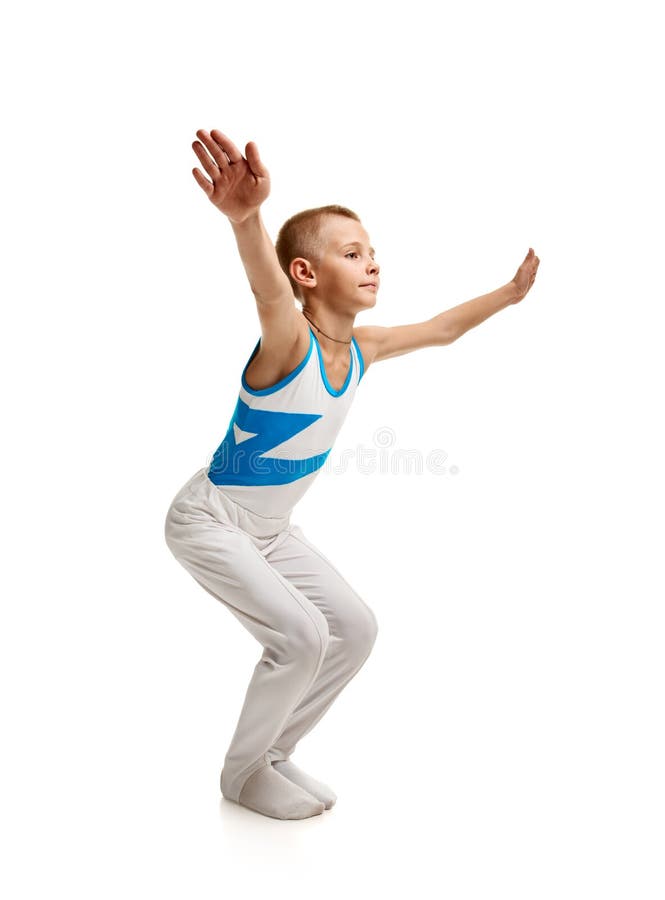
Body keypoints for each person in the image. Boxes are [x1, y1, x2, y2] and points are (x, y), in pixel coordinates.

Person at [164, 128, 540, 821]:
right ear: (306, 274)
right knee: (300, 635)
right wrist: (247, 219)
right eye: (351, 253)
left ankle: (273, 754)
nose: (371, 264)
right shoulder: (287, 341)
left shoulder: (362, 348)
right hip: (209, 522)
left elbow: (440, 328)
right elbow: (266, 292)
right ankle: (241, 774)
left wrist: (507, 295)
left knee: (355, 628)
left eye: (372, 253)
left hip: (271, 530)